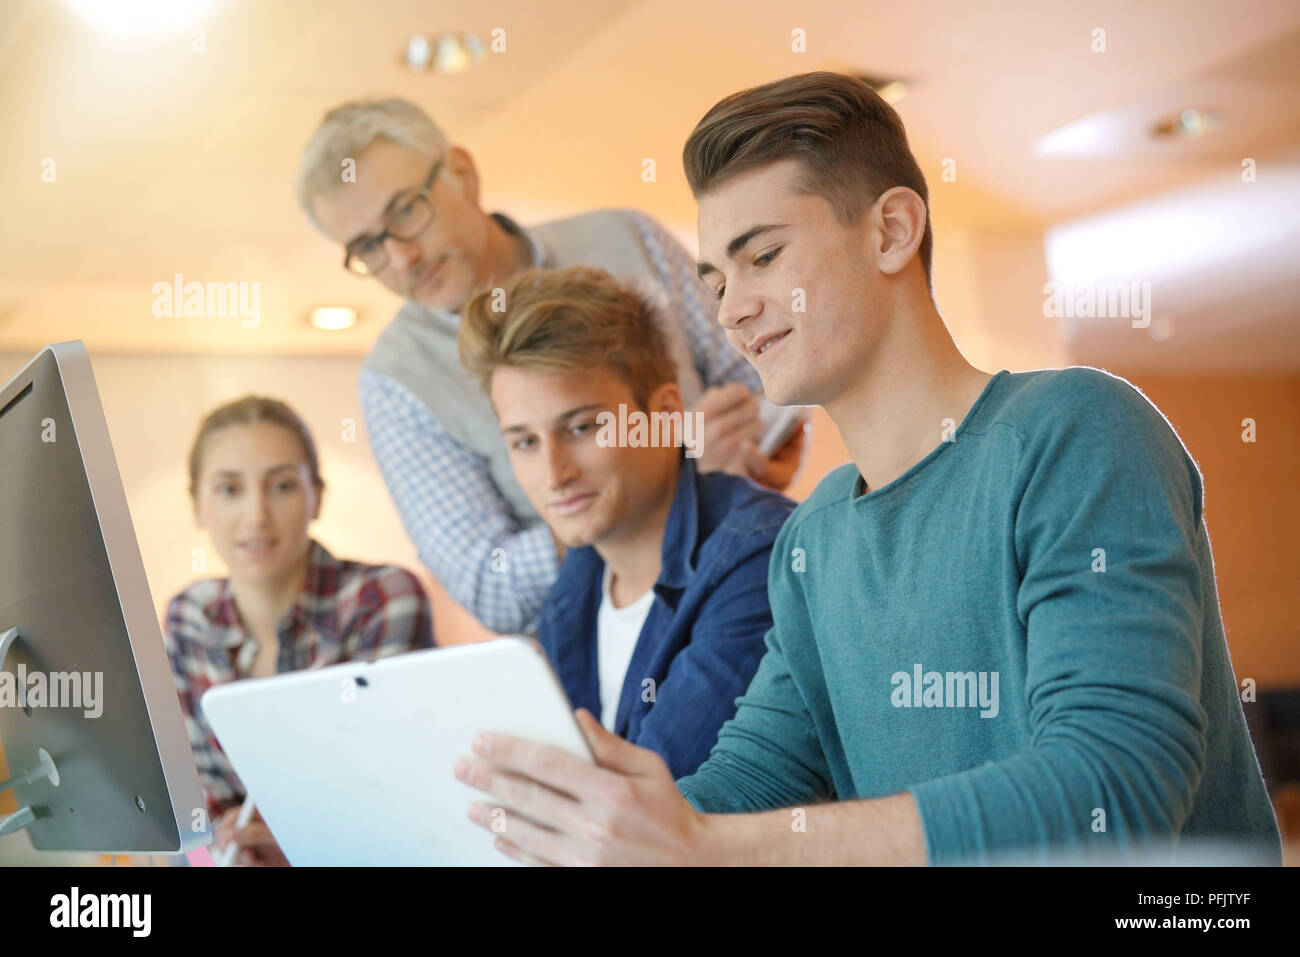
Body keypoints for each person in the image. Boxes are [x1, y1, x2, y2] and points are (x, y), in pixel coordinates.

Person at [453, 72, 1283, 866]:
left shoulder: (1078, 432)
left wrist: (707, 846)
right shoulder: (814, 537)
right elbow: (756, 779)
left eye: (764, 256)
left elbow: (1116, 792)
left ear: (891, 230)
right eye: (715, 278)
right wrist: (610, 823)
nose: (732, 307)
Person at [294, 98, 808, 635]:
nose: (401, 258)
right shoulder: (395, 382)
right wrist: (675, 482)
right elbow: (489, 587)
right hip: (591, 655)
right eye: (367, 247)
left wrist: (761, 453)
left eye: (405, 212)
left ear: (462, 174)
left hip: (750, 588)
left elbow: (773, 389)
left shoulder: (628, 238)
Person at [458, 265, 795, 777]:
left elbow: (646, 803)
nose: (554, 474)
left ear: (662, 414)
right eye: (525, 442)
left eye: (580, 427)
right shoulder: (575, 589)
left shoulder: (757, 557)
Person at [163, 396, 434, 866]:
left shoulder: (382, 598)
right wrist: (228, 845)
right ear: (197, 505)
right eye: (229, 489)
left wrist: (291, 843)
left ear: (317, 496)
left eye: (283, 485)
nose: (257, 517)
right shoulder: (191, 615)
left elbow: (390, 792)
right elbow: (198, 802)